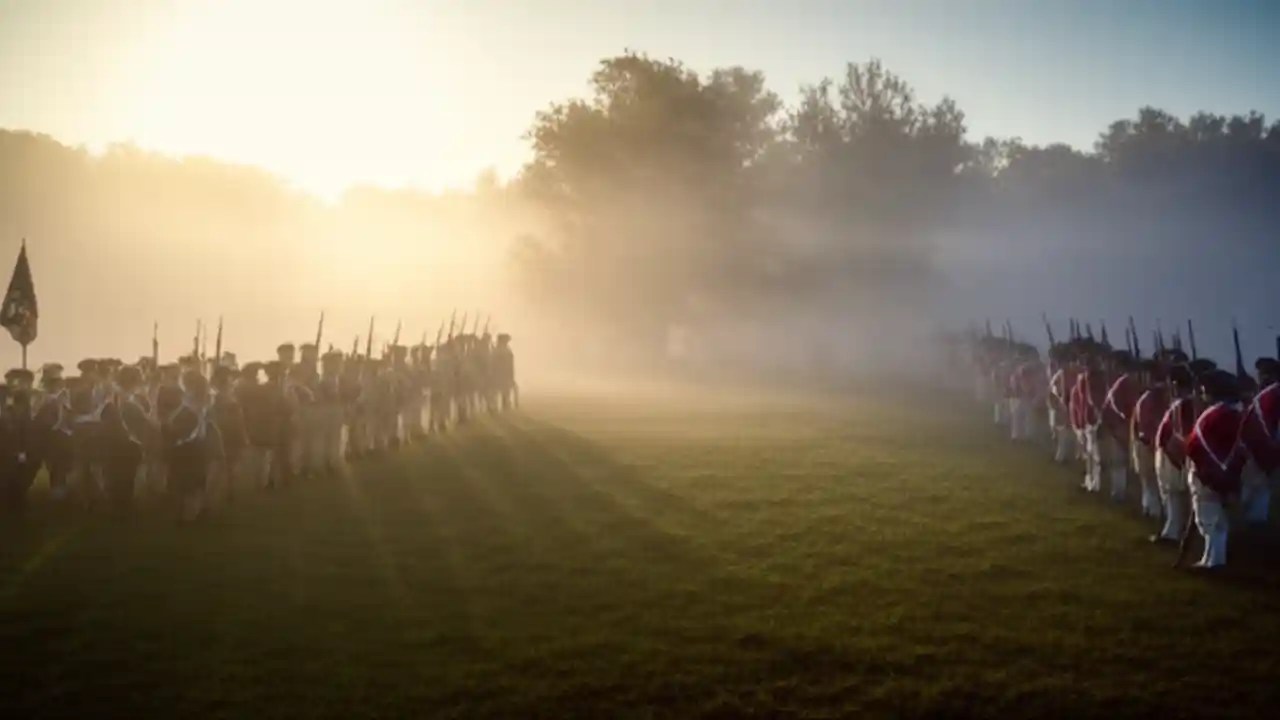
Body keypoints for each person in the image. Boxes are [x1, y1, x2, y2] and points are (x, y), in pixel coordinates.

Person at [1183, 369, 1246, 570]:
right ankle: (1209, 557)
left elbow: (1202, 445)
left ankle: (1215, 560)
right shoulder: (1229, 413)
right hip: (1213, 471)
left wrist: (1212, 473)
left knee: (1211, 520)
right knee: (1209, 519)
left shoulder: (1219, 414)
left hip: (1209, 473)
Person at [1153, 364, 1197, 543]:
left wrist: (1177, 456)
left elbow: (1181, 433)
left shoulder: (1183, 404)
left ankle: (1173, 531)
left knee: (1173, 495)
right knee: (1172, 495)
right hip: (1171, 454)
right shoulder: (1183, 403)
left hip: (1173, 455)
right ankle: (1174, 529)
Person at [1238, 357, 1279, 525]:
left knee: (1257, 493)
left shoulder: (1270, 395)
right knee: (1255, 493)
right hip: (1257, 450)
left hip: (1259, 450)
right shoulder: (1268, 395)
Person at [1131, 360, 1169, 520]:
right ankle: (1150, 508)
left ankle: (1154, 511)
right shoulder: (1156, 397)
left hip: (1149, 443)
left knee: (1150, 480)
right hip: (1151, 442)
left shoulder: (1149, 398)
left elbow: (1148, 423)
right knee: (1149, 480)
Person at [1101, 351, 1140, 503]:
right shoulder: (1125, 383)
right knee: (1119, 462)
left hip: (1118, 425)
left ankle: (1121, 493)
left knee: (1121, 463)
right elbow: (1122, 407)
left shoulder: (1124, 382)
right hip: (1118, 426)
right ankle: (1118, 494)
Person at [493, 334, 517, 411]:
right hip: (501, 373)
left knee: (505, 391)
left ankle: (505, 406)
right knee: (501, 391)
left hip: (506, 373)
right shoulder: (499, 350)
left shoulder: (504, 349)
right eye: (506, 340)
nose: (507, 342)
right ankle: (502, 407)